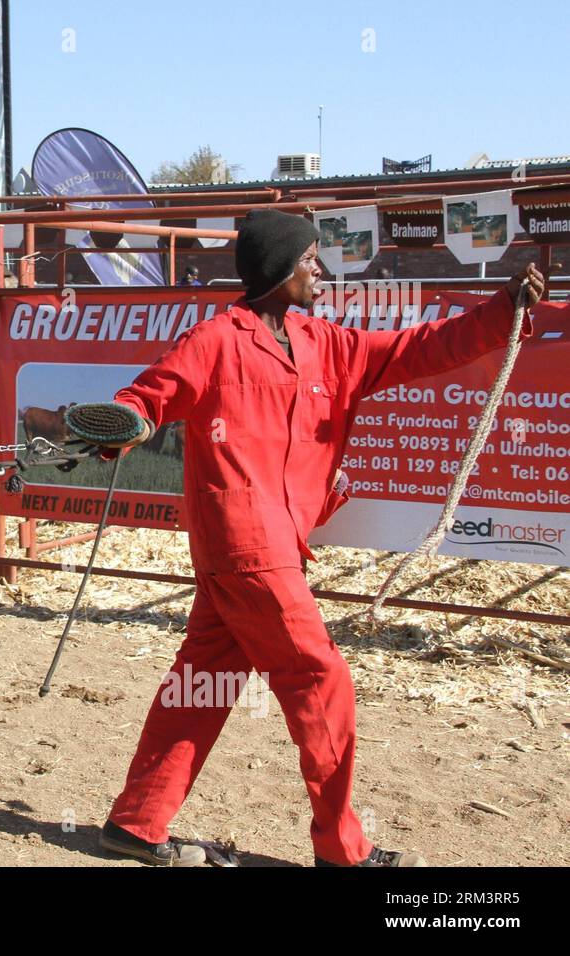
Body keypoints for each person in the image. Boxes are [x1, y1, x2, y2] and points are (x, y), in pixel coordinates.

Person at [96, 208, 545, 867]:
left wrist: (502, 309)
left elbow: (419, 348)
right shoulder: (217, 340)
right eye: (309, 260)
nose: (320, 270)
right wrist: (122, 424)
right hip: (247, 547)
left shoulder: (326, 343)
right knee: (321, 679)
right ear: (279, 270)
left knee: (205, 683)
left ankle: (135, 823)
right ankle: (343, 851)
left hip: (266, 549)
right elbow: (148, 396)